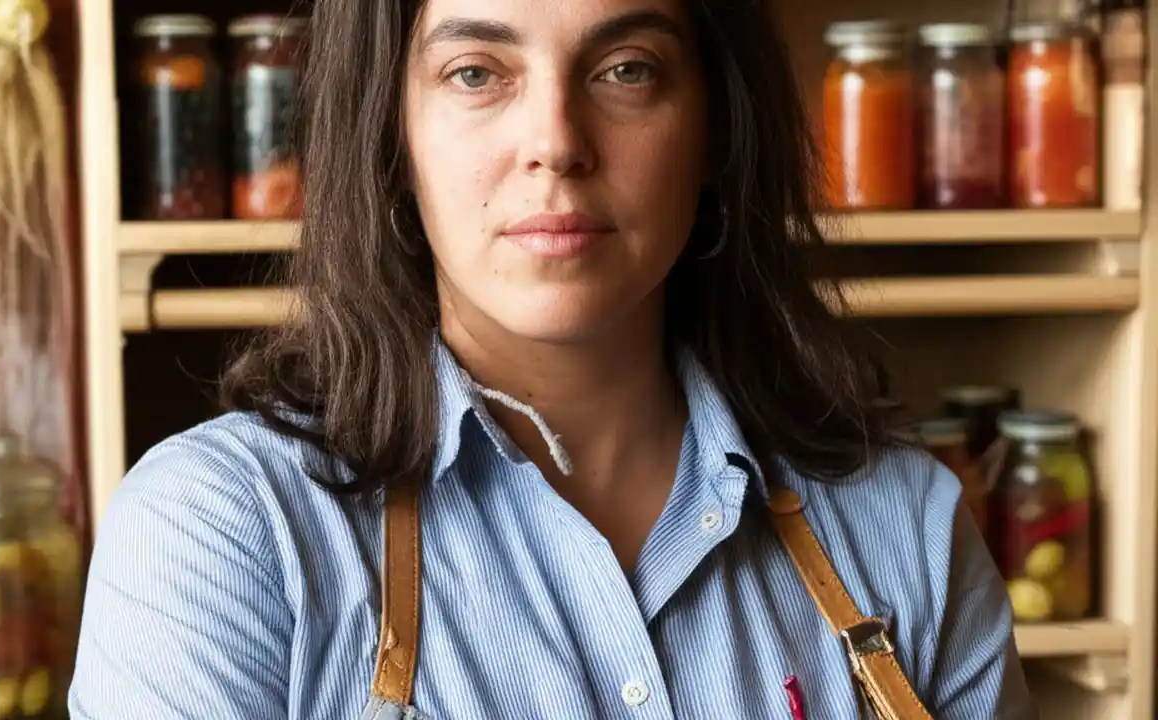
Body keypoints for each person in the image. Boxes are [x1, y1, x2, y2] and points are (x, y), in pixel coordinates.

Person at [70, 0, 1035, 717]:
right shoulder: (222, 535)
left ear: (715, 127)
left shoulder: (907, 531)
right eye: (477, 73)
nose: (556, 145)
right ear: (391, 135)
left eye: (626, 69)